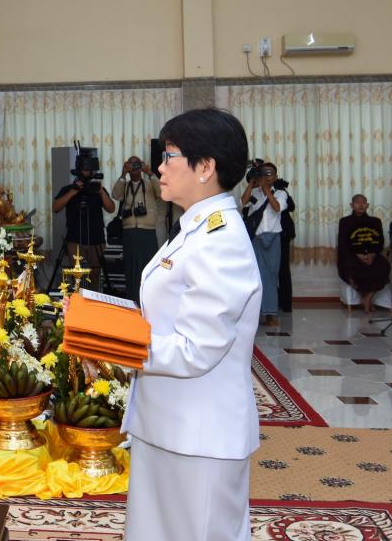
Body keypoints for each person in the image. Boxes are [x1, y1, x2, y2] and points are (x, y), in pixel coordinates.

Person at [123, 108, 261, 541]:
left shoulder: (221, 241)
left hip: (200, 436)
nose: (159, 167)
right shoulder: (194, 228)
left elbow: (196, 349)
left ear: (205, 167)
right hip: (168, 425)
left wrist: (113, 344)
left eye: (169, 156)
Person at [52, 153, 115, 290]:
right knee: (76, 274)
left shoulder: (98, 190)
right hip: (75, 238)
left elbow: (111, 209)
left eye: (90, 170)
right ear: (79, 170)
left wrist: (101, 192)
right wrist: (73, 192)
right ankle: (77, 300)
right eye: (85, 169)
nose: (88, 172)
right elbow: (55, 207)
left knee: (95, 273)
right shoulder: (68, 189)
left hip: (96, 238)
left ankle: (93, 301)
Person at [241, 161, 288, 327]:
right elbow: (243, 202)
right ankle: (255, 314)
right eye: (264, 174)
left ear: (275, 176)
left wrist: (267, 189)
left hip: (273, 238)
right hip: (256, 239)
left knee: (271, 276)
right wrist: (252, 184)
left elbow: (277, 208)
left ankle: (271, 314)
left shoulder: (281, 193)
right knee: (256, 277)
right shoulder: (255, 192)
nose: (267, 177)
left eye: (270, 174)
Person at [112, 155, 162, 302]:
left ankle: (148, 300)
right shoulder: (125, 185)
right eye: (130, 164)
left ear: (141, 166)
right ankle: (132, 300)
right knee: (131, 267)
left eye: (136, 164)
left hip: (147, 231)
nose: (133, 166)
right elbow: (116, 194)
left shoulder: (148, 183)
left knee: (148, 266)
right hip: (129, 232)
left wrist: (151, 173)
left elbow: (161, 192)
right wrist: (122, 175)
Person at [337, 194, 390, 314]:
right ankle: (366, 299)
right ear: (351, 205)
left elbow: (380, 242)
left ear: (367, 205)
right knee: (350, 268)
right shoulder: (345, 221)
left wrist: (372, 254)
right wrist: (358, 255)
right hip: (353, 255)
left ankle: (367, 298)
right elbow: (343, 243)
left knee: (384, 266)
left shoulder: (375, 221)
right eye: (357, 203)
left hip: (372, 255)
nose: (361, 205)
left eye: (363, 203)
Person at [274, 177, 296, 312]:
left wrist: (281, 190)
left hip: (282, 234)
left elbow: (291, 207)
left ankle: (285, 303)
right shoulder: (257, 189)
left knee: (283, 269)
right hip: (261, 233)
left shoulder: (280, 191)